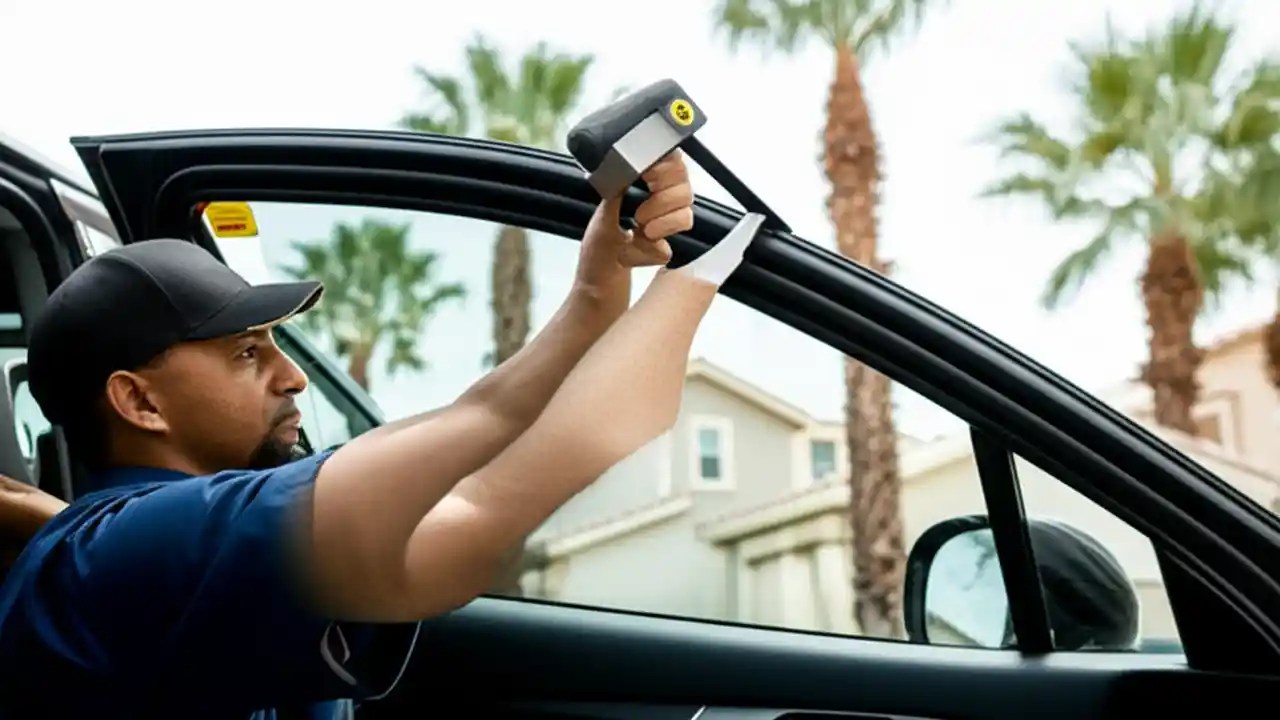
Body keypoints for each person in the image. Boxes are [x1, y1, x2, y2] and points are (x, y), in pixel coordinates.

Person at [0, 149, 760, 717]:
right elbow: (480, 459)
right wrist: (674, 287)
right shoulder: (133, 549)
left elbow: (469, 460)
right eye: (246, 353)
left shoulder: (134, 553)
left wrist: (599, 295)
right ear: (140, 402)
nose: (291, 375)